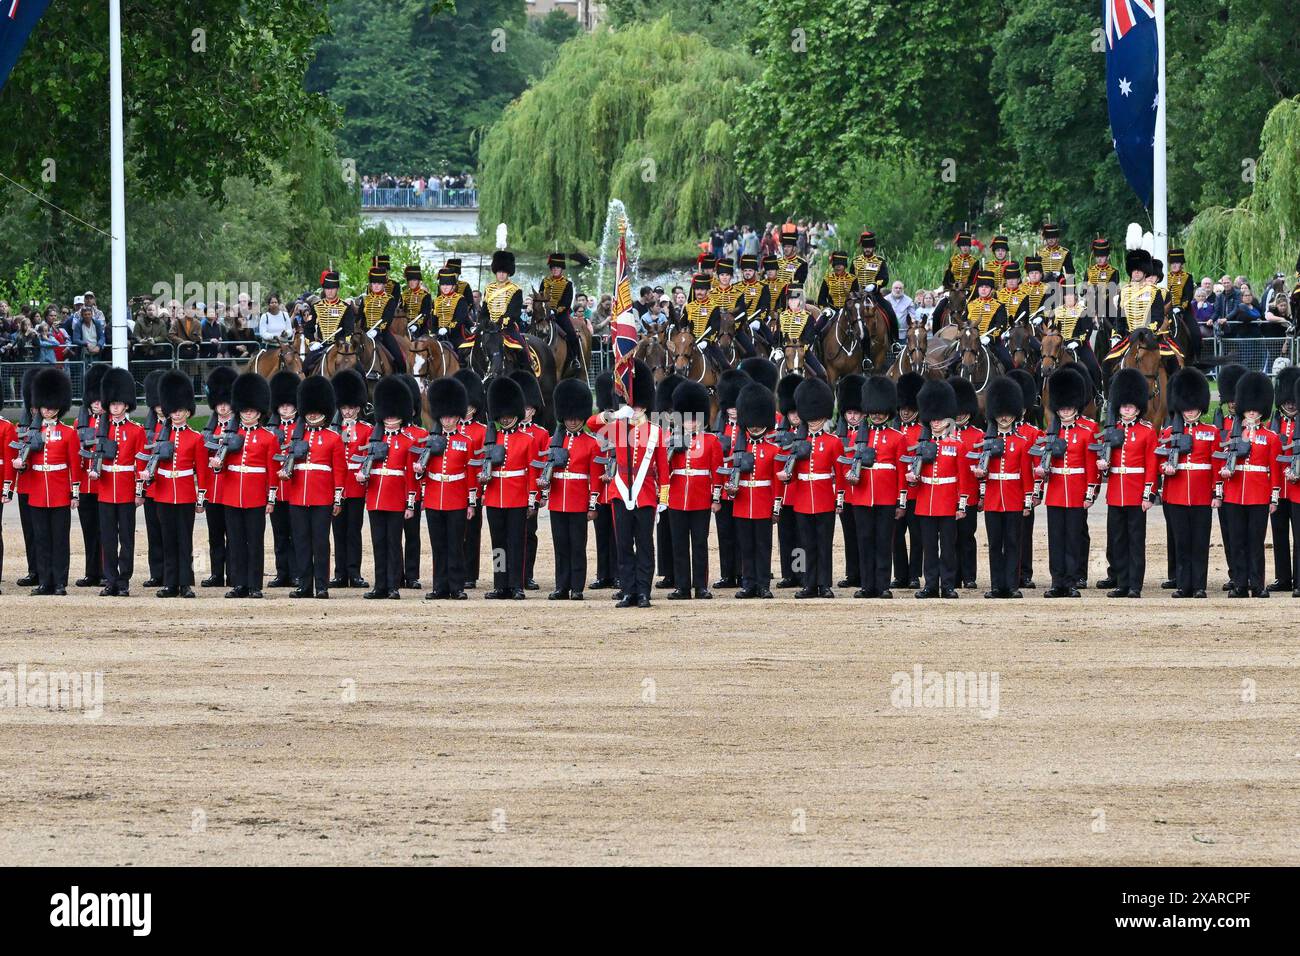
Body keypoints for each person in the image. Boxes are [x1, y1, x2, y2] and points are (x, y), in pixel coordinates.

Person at [587, 360, 666, 608]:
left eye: (639, 406)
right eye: (633, 405)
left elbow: (663, 469)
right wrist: (612, 414)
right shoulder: (618, 427)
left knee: (644, 544)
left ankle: (643, 591)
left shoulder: (656, 432)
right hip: (620, 493)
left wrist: (663, 499)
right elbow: (591, 424)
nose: (636, 409)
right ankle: (628, 590)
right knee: (623, 545)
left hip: (645, 495)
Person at [906, 380, 975, 598]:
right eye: (932, 420)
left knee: (947, 547)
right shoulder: (921, 445)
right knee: (928, 547)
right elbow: (914, 478)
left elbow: (963, 479)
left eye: (939, 419)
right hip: (926, 502)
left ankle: (947, 585)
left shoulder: (957, 446)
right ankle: (930, 585)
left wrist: (961, 505)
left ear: (947, 420)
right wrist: (912, 479)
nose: (935, 423)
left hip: (947, 503)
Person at [1217, 371, 1283, 598]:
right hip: (1234, 494)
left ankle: (1257, 584)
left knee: (1256, 542)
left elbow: (1274, 470)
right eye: (1249, 408)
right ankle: (1239, 584)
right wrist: (1224, 473)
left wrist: (1273, 497)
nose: (1252, 411)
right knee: (1237, 541)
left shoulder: (1271, 437)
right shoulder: (1232, 435)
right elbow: (1222, 463)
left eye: (1256, 408)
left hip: (1258, 495)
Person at [1035, 366, 1099, 597]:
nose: (1065, 412)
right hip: (1055, 492)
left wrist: (1090, 492)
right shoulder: (1051, 432)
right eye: (1061, 408)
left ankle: (1071, 581)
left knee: (1073, 538)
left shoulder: (1088, 429)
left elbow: (1091, 464)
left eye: (1069, 408)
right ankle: (1057, 581)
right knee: (1056, 538)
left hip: (1076, 490)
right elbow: (1040, 462)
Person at [840, 376, 906, 598]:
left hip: (886, 498)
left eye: (881, 411)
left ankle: (883, 585)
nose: (877, 415)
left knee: (883, 541)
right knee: (864, 540)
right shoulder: (857, 436)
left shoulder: (897, 438)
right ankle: (867, 585)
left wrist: (901, 501)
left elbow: (901, 473)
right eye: (873, 411)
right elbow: (847, 466)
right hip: (861, 497)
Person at [968, 376, 1033, 598]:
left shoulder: (1022, 442)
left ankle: (1012, 586)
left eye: (1008, 413)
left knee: (1014, 543)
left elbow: (1026, 475)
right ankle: (997, 585)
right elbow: (981, 473)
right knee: (995, 544)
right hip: (994, 499)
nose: (1004, 418)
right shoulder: (986, 441)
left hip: (1014, 498)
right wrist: (980, 477)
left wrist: (1027, 501)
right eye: (1000, 413)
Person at [149, 371, 211, 598]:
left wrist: (201, 497)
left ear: (188, 411)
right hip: (164, 493)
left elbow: (202, 470)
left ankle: (185, 583)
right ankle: (170, 583)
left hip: (185, 493)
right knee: (167, 539)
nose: (176, 414)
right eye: (173, 411)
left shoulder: (195, 438)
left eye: (181, 410)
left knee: (185, 539)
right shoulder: (159, 437)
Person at [19, 369, 81, 595]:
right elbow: (26, 462)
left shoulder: (68, 433)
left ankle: (60, 582)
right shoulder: (31, 433)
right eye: (45, 406)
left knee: (59, 540)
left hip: (59, 492)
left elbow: (74, 465)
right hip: (37, 492)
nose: (48, 409)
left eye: (52, 406)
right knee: (42, 539)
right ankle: (45, 581)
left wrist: (75, 493)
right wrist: (21, 464)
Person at [479, 376, 540, 600]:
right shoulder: (491, 440)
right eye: (502, 416)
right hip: (495, 497)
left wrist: (532, 498)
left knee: (516, 543)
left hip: (517, 498)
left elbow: (532, 472)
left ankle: (516, 584)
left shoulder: (527, 439)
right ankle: (500, 584)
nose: (505, 420)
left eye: (509, 416)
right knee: (498, 545)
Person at [357, 377, 419, 599]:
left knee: (394, 544)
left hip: (395, 499)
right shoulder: (374, 439)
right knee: (378, 544)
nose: (391, 420)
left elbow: (411, 476)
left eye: (394, 416)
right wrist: (361, 477)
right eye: (388, 416)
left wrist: (410, 502)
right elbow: (365, 467)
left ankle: (393, 585)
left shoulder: (407, 441)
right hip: (375, 498)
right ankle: (380, 585)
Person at [1098, 369, 1157, 598]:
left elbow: (1151, 466)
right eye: (1124, 407)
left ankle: (1135, 585)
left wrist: (1148, 494)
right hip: (1115, 493)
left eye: (1131, 407)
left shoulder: (1146, 432)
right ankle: (1122, 583)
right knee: (1118, 540)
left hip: (1135, 493)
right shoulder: (1112, 431)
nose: (1127, 410)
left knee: (1135, 540)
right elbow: (1103, 460)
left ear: (1138, 408)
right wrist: (1101, 465)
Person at [540, 378, 600, 601]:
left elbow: (594, 477)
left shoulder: (592, 443)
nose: (572, 422)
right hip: (558, 501)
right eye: (568, 417)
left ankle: (577, 587)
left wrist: (592, 505)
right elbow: (546, 471)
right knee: (560, 547)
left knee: (577, 547)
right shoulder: (552, 442)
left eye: (576, 418)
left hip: (578, 501)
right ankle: (561, 586)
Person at [662, 381, 722, 600]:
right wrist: (670, 452)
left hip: (700, 499)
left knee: (699, 544)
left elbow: (716, 473)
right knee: (678, 545)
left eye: (695, 418)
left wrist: (716, 499)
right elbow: (661, 471)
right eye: (687, 419)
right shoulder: (670, 440)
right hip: (677, 499)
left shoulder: (711, 441)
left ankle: (701, 586)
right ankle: (682, 587)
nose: (691, 423)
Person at [417, 377, 475, 600]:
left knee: (455, 545)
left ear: (458, 416)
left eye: (451, 416)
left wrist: (471, 502)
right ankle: (440, 586)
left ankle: (457, 587)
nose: (448, 420)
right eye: (444, 416)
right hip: (433, 498)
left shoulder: (466, 441)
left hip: (456, 498)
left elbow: (469, 473)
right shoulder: (430, 440)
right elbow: (421, 474)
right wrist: (419, 469)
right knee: (438, 546)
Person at [1160, 367, 1216, 598]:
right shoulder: (1168, 433)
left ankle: (1200, 585)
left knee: (1200, 542)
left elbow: (1215, 465)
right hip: (1176, 493)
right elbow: (1158, 462)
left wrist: (1216, 492)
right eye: (1187, 408)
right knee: (1181, 542)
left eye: (1194, 408)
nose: (1190, 413)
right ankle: (1183, 585)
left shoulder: (1211, 432)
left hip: (1202, 494)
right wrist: (1166, 468)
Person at [786, 377, 841, 598]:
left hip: (825, 498)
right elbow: (788, 471)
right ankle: (809, 583)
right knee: (806, 544)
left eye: (819, 417)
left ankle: (824, 584)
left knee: (824, 544)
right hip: (802, 499)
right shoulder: (796, 441)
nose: (815, 421)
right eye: (812, 417)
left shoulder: (833, 442)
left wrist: (839, 499)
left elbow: (840, 475)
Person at [325, 369, 371, 590]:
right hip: (337, 487)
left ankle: (355, 572)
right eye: (345, 408)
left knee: (354, 531)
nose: (348, 411)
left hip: (356, 486)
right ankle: (340, 573)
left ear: (359, 408)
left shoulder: (367, 430)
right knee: (338, 531)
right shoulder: (334, 430)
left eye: (352, 408)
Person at [710, 369, 750, 590]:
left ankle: (744, 573)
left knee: (742, 534)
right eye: (730, 407)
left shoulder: (748, 427)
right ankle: (727, 574)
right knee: (725, 534)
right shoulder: (720, 426)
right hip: (724, 487)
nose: (733, 411)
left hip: (742, 487)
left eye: (736, 407)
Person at [200, 366, 239, 589]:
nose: (223, 407)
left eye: (226, 403)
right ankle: (217, 573)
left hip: (231, 488)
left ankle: (233, 574)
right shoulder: (209, 429)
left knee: (233, 535)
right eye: (220, 403)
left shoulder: (239, 429)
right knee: (215, 535)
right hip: (213, 491)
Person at [73, 363, 108, 588]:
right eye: (94, 401)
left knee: (105, 531)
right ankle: (91, 572)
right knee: (88, 531)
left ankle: (106, 570)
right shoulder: (79, 423)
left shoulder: (111, 424)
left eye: (100, 400)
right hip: (86, 486)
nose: (96, 404)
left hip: (104, 485)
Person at [267, 371, 301, 587]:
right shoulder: (271, 431)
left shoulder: (302, 430)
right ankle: (282, 573)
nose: (286, 410)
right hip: (277, 490)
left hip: (296, 488)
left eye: (289, 406)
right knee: (280, 535)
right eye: (283, 407)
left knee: (297, 535)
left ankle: (297, 572)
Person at [1268, 366, 1300, 592]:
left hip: (1298, 489)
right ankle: (1283, 578)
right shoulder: (1274, 422)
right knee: (1279, 536)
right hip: (1278, 487)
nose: (1290, 404)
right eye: (1286, 400)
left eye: (1293, 401)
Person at [950, 378, 983, 587]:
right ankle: (953, 575)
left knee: (967, 537)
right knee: (950, 538)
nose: (960, 415)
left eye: (963, 411)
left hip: (970, 493)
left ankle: (969, 576)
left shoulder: (978, 435)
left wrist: (981, 495)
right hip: (949, 494)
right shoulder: (945, 435)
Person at [540, 253, 586, 378]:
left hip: (560, 315)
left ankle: (574, 359)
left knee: (571, 335)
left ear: (561, 269)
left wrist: (555, 311)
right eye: (553, 267)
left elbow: (566, 302)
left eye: (557, 268)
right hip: (544, 315)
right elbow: (539, 297)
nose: (555, 269)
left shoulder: (567, 284)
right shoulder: (544, 282)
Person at [356, 267, 404, 376]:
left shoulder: (389, 299)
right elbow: (360, 318)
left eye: (379, 283)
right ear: (370, 285)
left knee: (399, 358)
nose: (376, 286)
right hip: (365, 334)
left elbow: (387, 319)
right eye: (373, 283)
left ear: (383, 285)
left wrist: (377, 330)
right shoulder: (366, 299)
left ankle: (400, 377)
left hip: (382, 334)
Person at [968, 271, 1014, 371]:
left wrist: (989, 337)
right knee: (953, 362)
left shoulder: (999, 305)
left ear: (992, 289)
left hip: (991, 342)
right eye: (981, 287)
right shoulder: (970, 304)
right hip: (970, 342)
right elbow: (964, 322)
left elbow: (1001, 325)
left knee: (1008, 362)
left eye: (987, 287)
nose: (983, 289)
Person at [942, 232, 980, 297]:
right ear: (960, 247)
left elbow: (974, 277)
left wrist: (965, 286)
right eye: (963, 246)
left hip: (968, 289)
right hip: (953, 288)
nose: (965, 248)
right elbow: (948, 276)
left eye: (967, 246)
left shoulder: (974, 261)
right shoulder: (953, 259)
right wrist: (952, 285)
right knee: (942, 302)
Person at [399, 264, 432, 335]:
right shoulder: (404, 295)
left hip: (420, 329)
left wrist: (417, 325)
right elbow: (401, 310)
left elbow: (425, 313)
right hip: (405, 327)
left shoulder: (425, 295)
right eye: (410, 280)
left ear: (418, 281)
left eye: (414, 280)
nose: (412, 283)